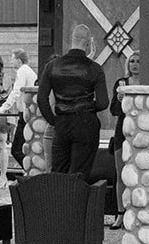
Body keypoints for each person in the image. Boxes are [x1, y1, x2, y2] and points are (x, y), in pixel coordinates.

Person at [37, 24, 110, 179]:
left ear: (71, 40)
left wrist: (54, 121)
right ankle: (76, 194)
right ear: (88, 43)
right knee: (80, 172)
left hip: (62, 122)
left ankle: (60, 195)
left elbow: (41, 99)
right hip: (86, 123)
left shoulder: (52, 66)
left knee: (58, 171)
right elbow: (103, 102)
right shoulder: (94, 68)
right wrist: (87, 107)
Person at [0, 48, 37, 175]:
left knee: (16, 149)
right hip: (30, 113)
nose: (11, 62)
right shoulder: (30, 72)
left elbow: (16, 92)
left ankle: (30, 172)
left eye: (13, 59)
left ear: (19, 60)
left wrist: (3, 108)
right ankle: (30, 172)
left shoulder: (22, 71)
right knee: (27, 148)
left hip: (25, 115)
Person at [108, 49, 140, 156]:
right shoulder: (121, 83)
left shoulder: (147, 84)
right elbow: (113, 110)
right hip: (123, 126)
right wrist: (118, 100)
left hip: (141, 125)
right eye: (132, 61)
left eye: (138, 61)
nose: (135, 64)